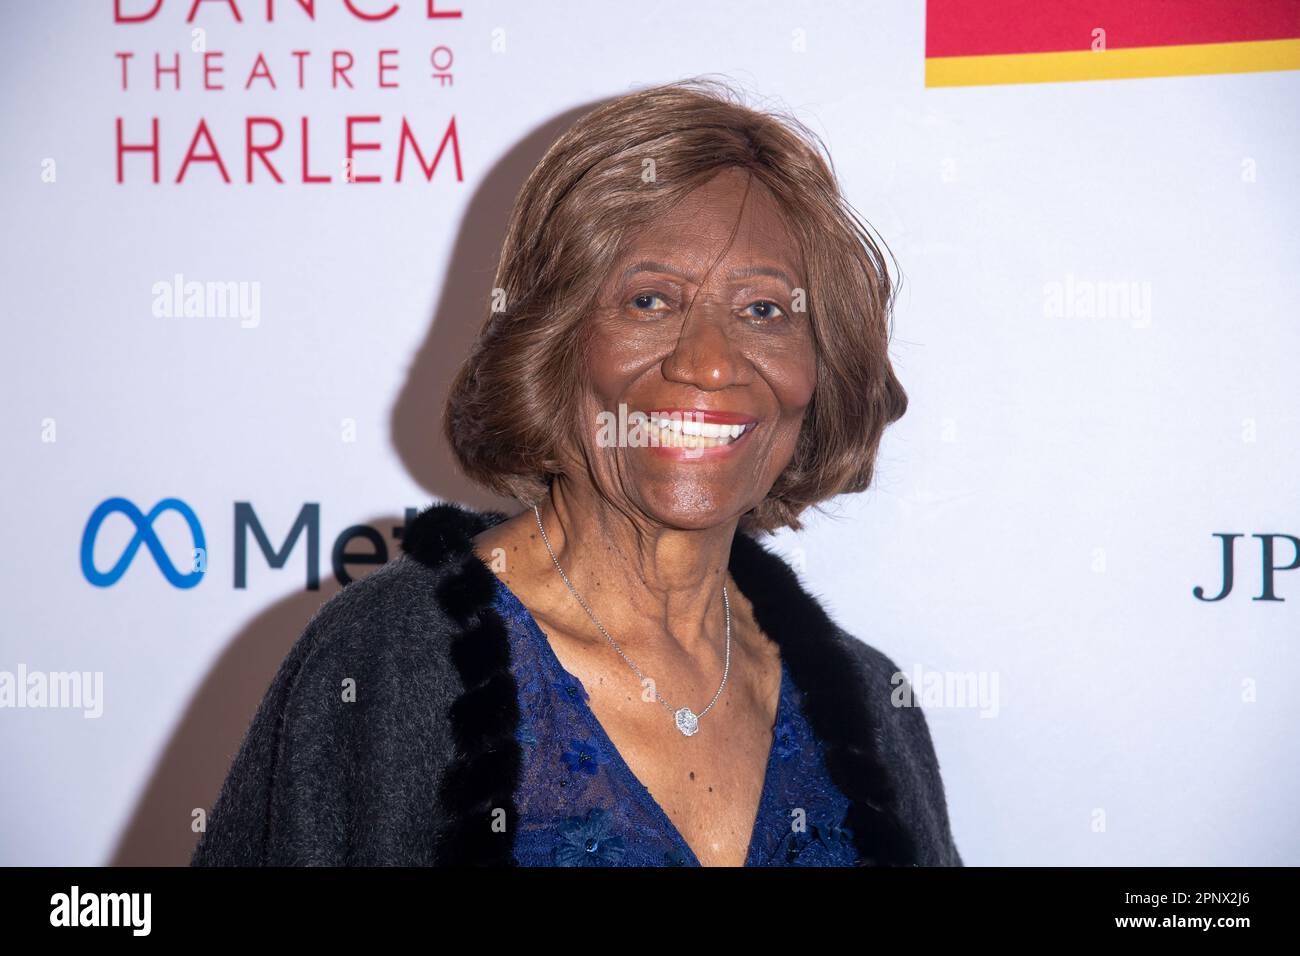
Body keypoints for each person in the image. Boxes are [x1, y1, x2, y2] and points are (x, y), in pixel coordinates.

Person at [191, 77, 962, 867]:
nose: (708, 363)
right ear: (551, 346)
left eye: (764, 310)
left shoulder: (869, 707)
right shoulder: (397, 660)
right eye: (650, 301)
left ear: (818, 370)